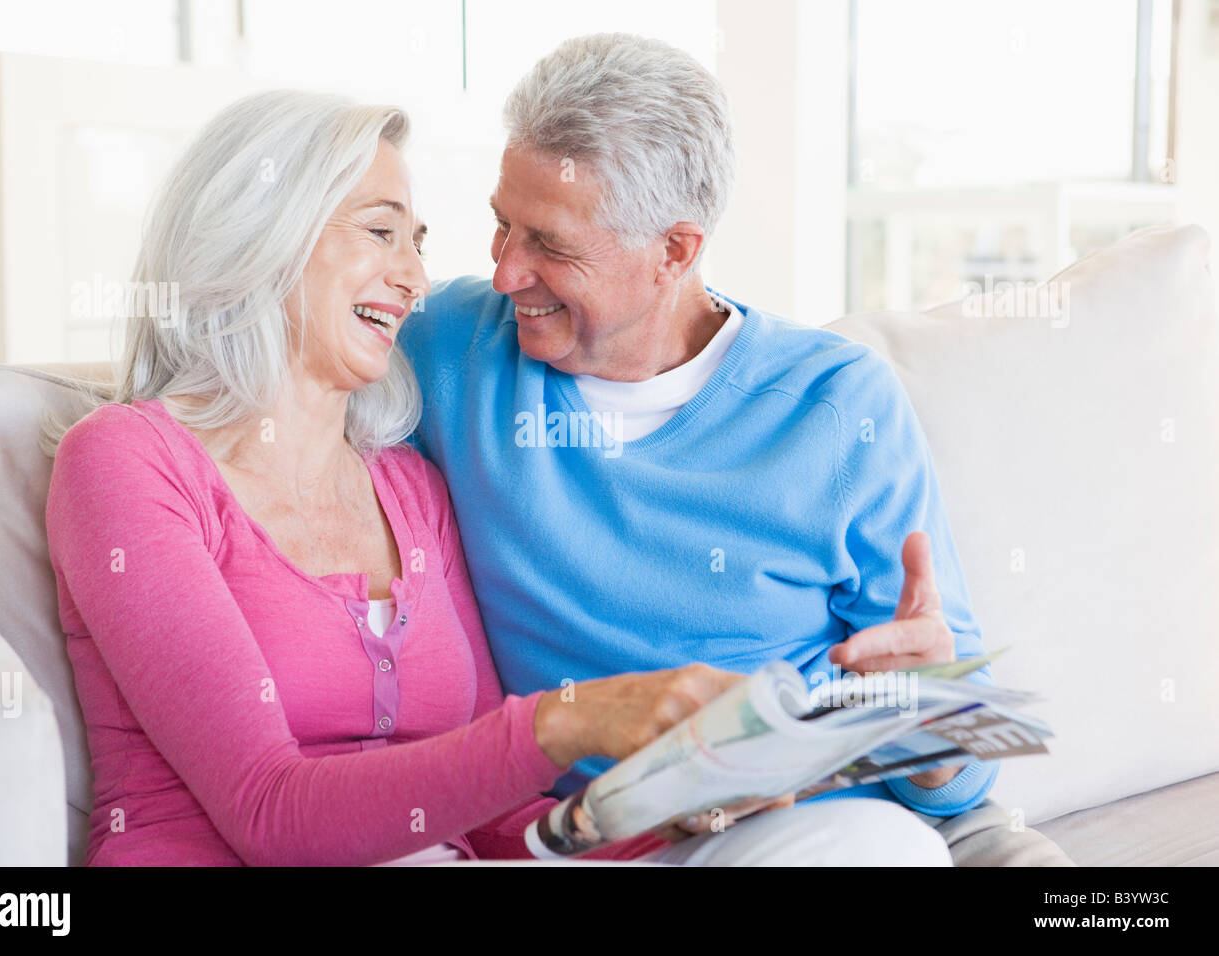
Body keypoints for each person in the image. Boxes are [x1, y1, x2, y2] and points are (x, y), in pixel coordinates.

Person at [44, 89, 951, 866]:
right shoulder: (128, 462)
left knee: (885, 849)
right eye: (379, 233)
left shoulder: (409, 488)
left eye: (418, 240)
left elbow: (491, 818)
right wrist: (568, 720)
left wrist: (667, 811)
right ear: (260, 237)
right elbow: (269, 812)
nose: (416, 279)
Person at [397, 33, 1074, 866]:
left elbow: (957, 782)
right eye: (503, 227)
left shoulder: (838, 404)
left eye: (551, 246)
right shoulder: (448, 344)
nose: (505, 272)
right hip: (578, 834)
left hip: (802, 825)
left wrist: (923, 705)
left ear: (675, 251)